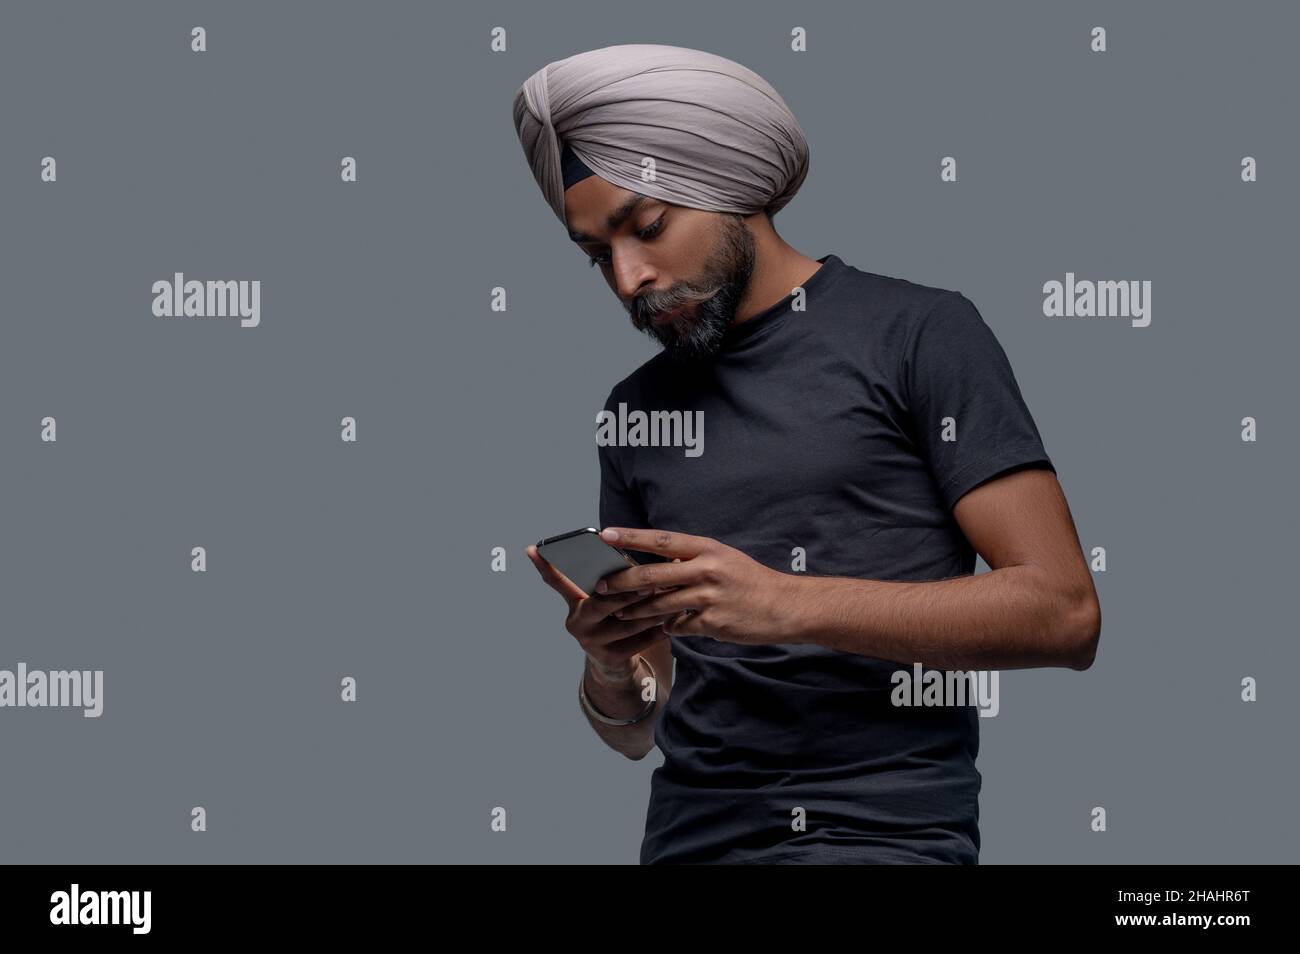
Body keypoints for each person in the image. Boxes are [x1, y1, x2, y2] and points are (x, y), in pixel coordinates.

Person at [514, 44, 1101, 865]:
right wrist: (612, 668)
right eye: (595, 255)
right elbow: (636, 728)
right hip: (687, 844)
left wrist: (785, 603)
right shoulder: (634, 411)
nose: (628, 277)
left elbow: (1065, 614)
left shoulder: (922, 335)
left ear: (729, 185)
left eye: (646, 227)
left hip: (879, 839)